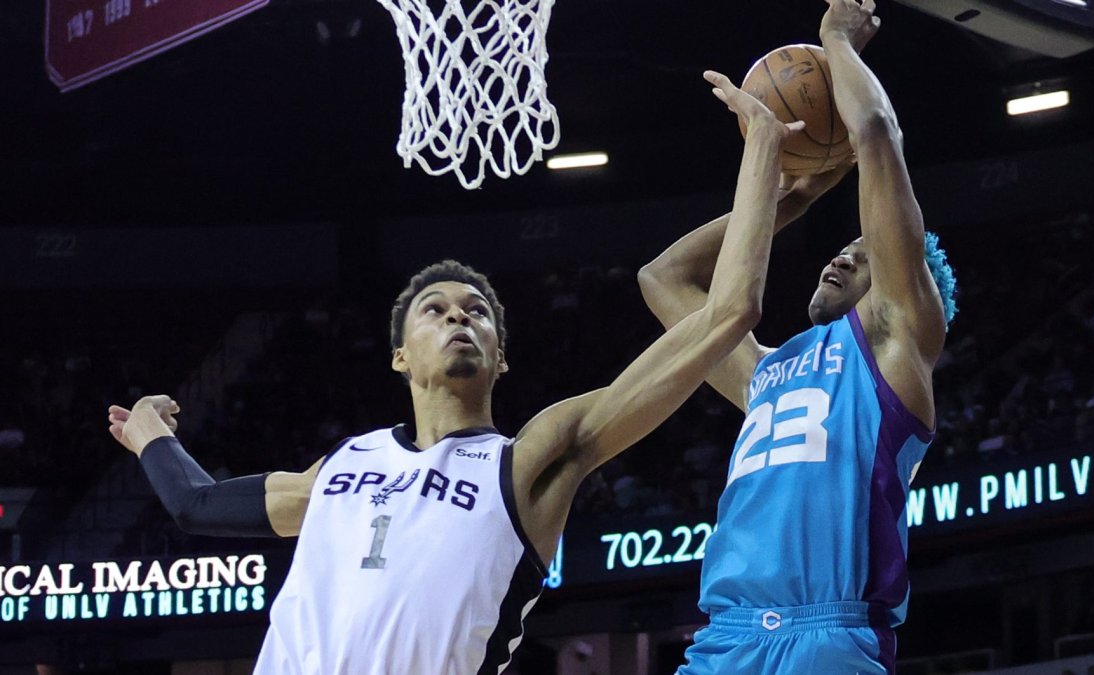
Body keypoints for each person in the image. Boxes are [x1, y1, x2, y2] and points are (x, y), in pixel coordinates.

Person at [105, 70, 807, 675]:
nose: (458, 317)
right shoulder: (339, 469)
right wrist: (148, 434)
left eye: (477, 311)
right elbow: (195, 505)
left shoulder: (530, 460)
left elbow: (727, 314)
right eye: (434, 310)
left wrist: (765, 159)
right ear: (400, 356)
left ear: (501, 354)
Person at [638, 1, 959, 672]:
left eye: (864, 256)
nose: (842, 257)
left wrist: (836, 39)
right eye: (843, 248)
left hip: (828, 636)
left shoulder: (895, 346)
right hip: (724, 640)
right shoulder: (765, 371)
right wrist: (795, 198)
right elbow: (664, 278)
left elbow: (875, 132)